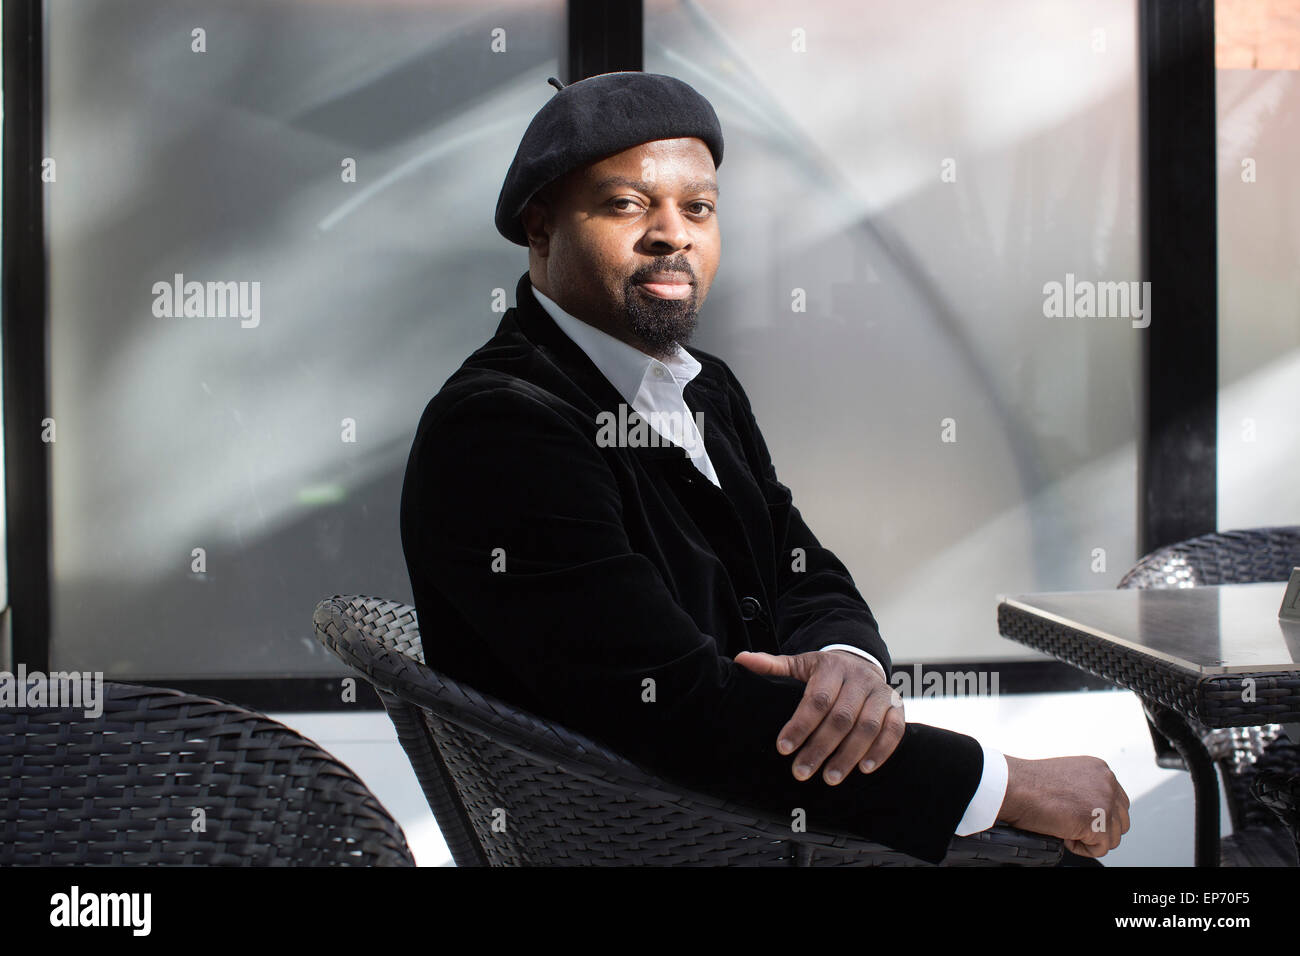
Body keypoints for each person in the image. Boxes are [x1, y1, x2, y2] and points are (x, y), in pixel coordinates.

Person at [399, 71, 1129, 864]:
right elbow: (675, 712)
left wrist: (847, 666)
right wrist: (1004, 785)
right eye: (627, 204)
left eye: (699, 208)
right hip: (684, 842)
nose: (672, 234)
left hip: (764, 816)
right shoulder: (503, 429)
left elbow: (800, 567)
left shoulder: (703, 387)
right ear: (540, 230)